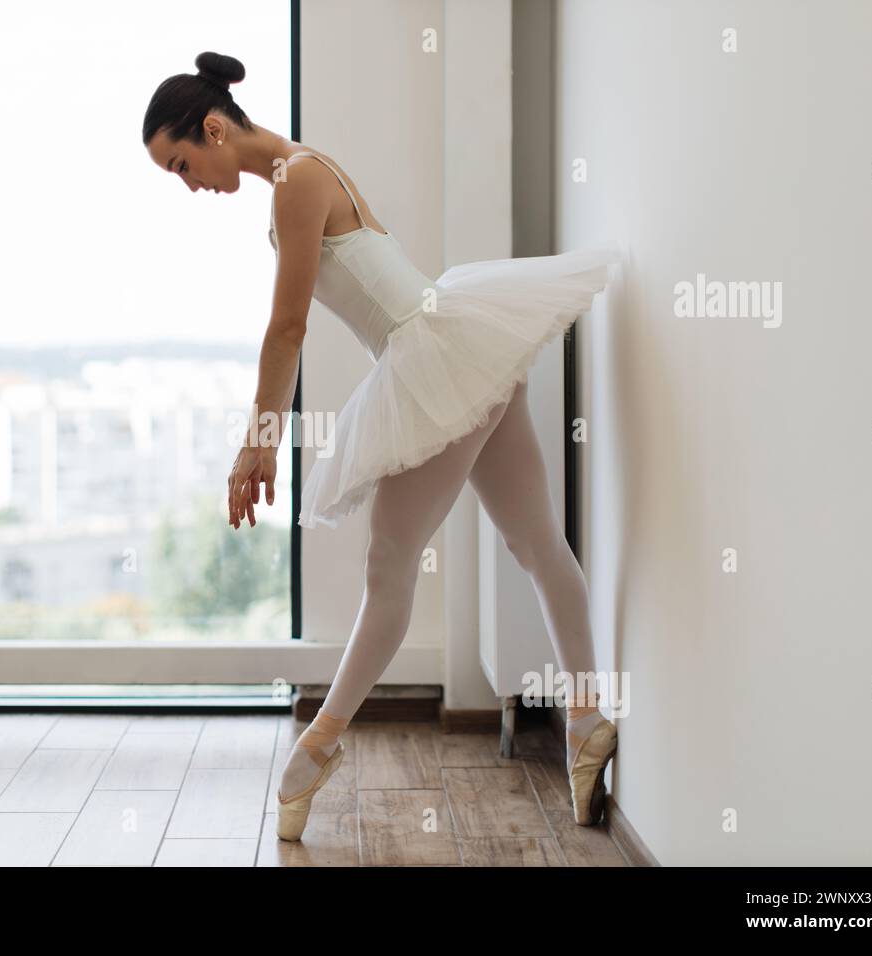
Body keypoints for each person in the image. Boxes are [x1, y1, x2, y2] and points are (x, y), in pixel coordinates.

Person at [144, 51, 623, 841]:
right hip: (455, 349)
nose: (188, 182)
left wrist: (258, 441)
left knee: (390, 570)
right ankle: (586, 721)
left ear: (216, 127)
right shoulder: (302, 173)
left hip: (434, 357)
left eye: (182, 162)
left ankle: (315, 751)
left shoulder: (298, 179)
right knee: (535, 541)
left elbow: (287, 327)